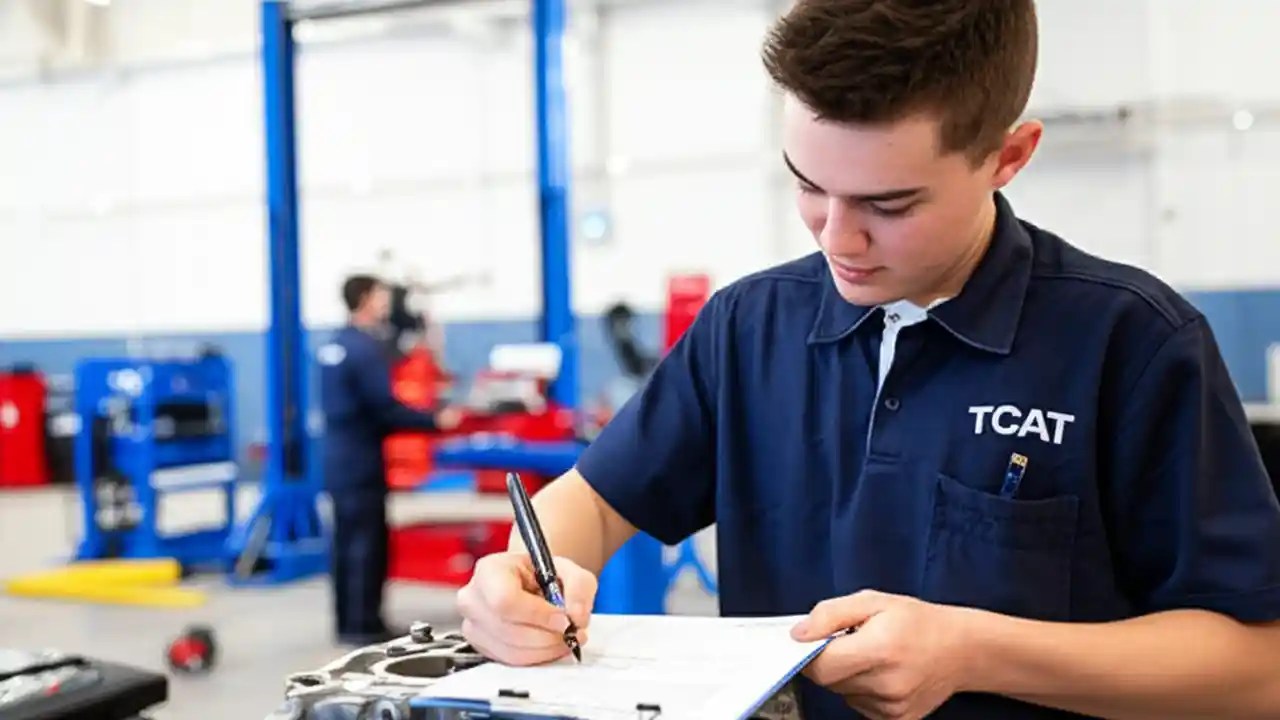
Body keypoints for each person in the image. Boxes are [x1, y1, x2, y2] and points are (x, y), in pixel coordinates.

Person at [455, 2, 1280, 718]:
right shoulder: (749, 326)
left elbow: (1256, 667)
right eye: (808, 183)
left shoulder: (1129, 346)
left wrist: (977, 652)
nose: (834, 238)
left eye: (890, 205)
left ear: (1008, 156)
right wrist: (521, 577)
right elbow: (596, 505)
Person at [319, 274, 461, 645]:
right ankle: (366, 624)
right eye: (381, 296)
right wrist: (434, 420)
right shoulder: (365, 350)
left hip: (338, 458)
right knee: (367, 544)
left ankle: (347, 622)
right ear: (365, 299)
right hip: (363, 460)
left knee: (346, 544)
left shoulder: (335, 345)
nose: (386, 303)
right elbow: (383, 409)